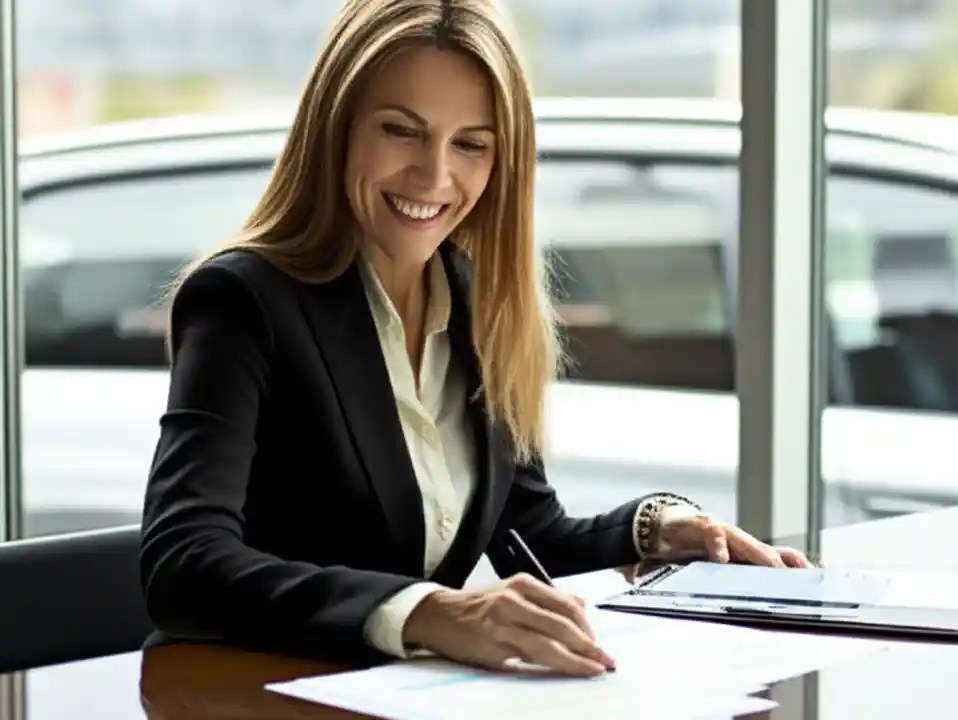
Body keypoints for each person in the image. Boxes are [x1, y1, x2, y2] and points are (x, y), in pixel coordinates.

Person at [140, 0, 810, 678]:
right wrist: (430, 612)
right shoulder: (245, 300)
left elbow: (528, 535)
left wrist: (660, 530)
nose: (434, 176)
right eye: (401, 131)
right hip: (244, 694)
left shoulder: (477, 299)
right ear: (336, 128)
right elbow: (183, 563)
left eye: (470, 144)